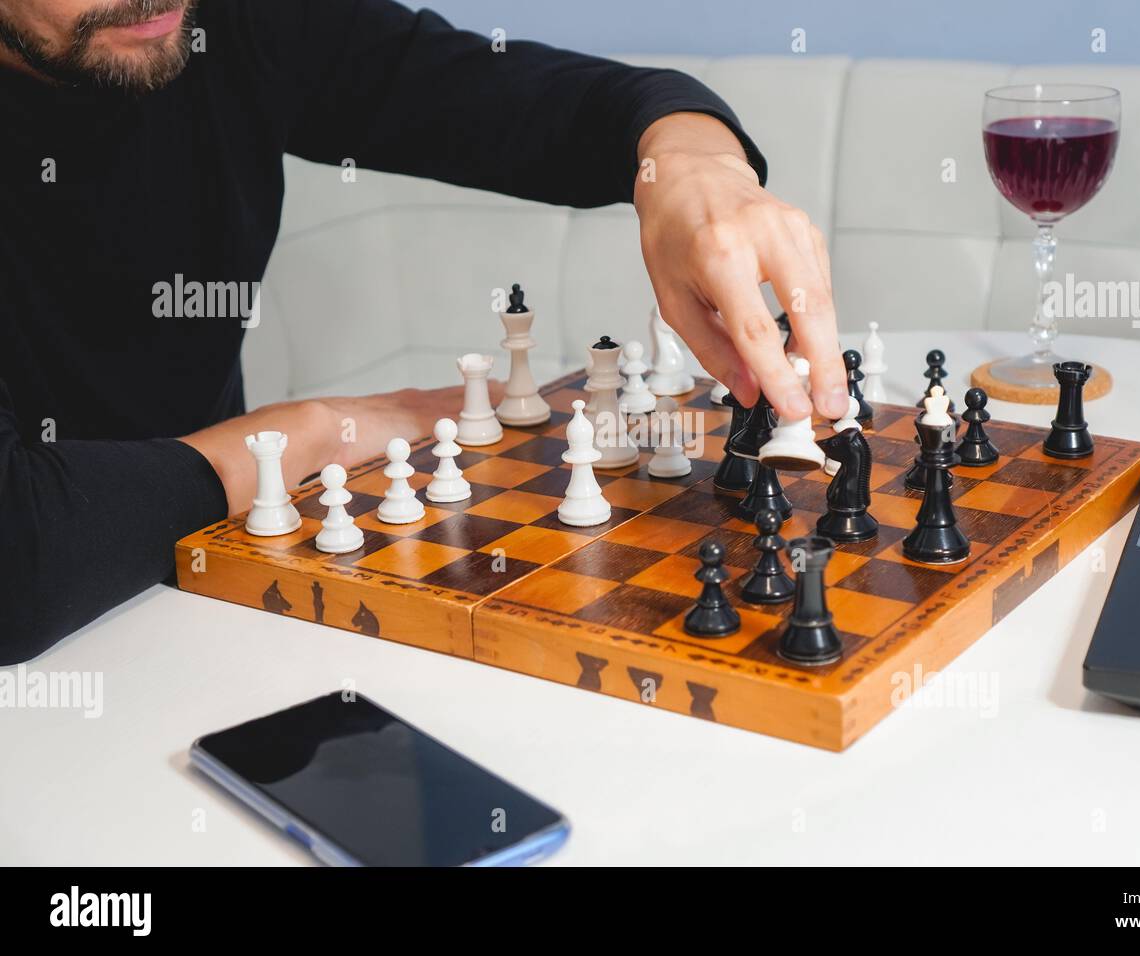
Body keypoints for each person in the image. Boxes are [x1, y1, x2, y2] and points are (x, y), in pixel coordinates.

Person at [0, 0, 843, 661]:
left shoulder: (235, 20)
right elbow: (19, 558)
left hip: (210, 595)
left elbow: (532, 100)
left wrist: (691, 163)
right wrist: (321, 431)